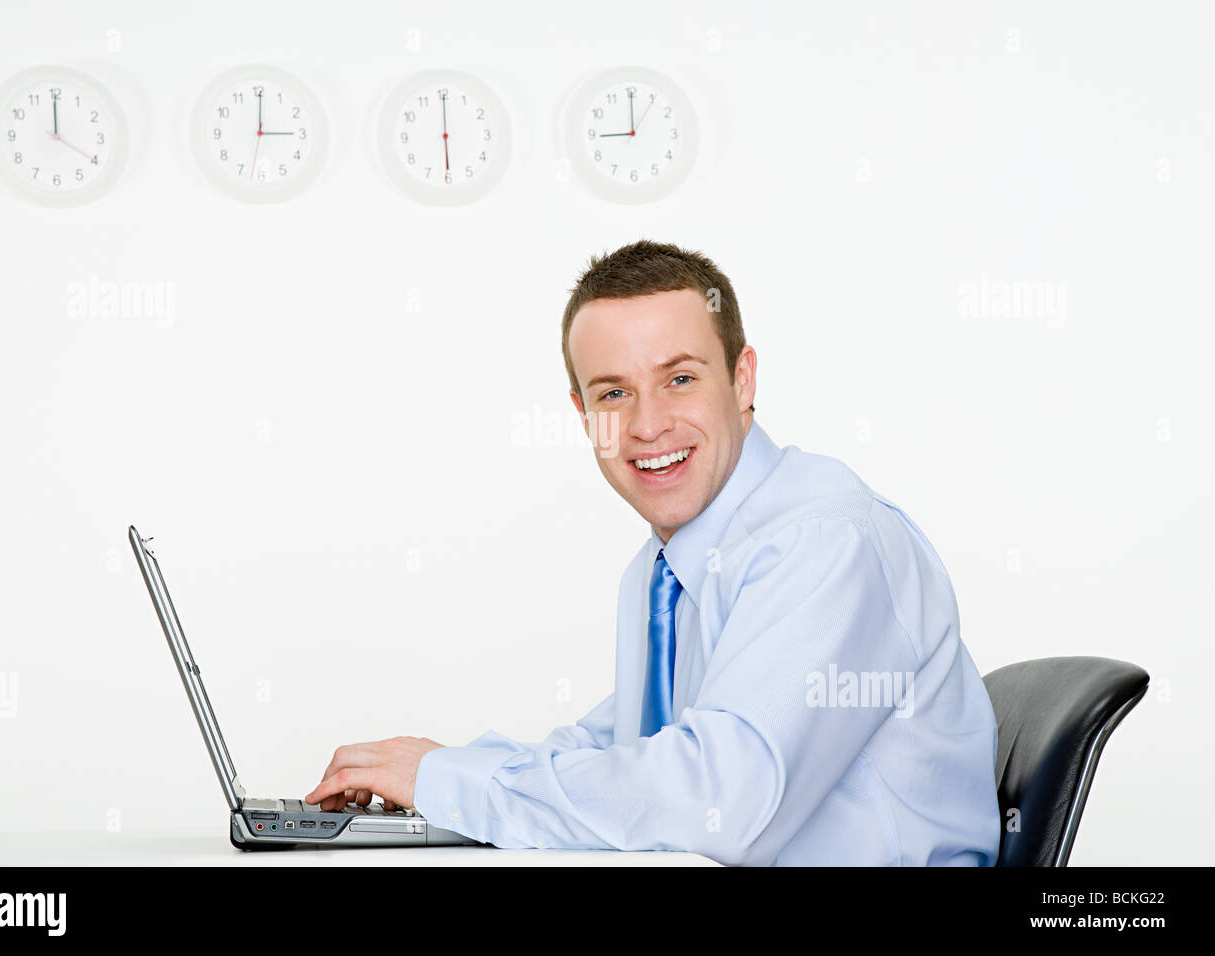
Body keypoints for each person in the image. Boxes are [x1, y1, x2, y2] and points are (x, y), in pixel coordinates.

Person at [306, 239, 1002, 866]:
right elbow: (620, 758)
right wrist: (430, 773)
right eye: (614, 393)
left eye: (680, 379)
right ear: (584, 417)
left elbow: (717, 802)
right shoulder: (668, 570)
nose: (646, 424)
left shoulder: (822, 544)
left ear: (743, 379)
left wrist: (449, 782)